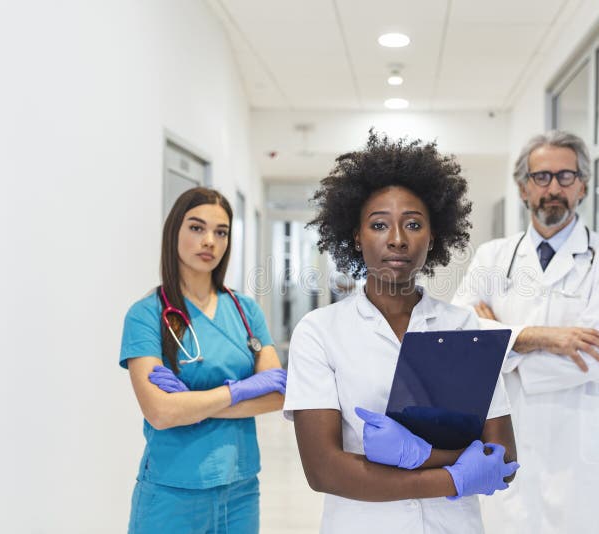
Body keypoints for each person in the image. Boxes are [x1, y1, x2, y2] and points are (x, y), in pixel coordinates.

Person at [284, 131, 520, 534]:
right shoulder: (319, 331)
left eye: (413, 224)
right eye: (379, 225)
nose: (397, 239)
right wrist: (452, 474)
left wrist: (417, 455)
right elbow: (323, 469)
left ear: (434, 236)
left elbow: (503, 457)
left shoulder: (464, 327)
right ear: (356, 237)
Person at [452, 130, 599, 533]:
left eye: (565, 176)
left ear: (583, 185)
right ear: (523, 188)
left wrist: (502, 340)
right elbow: (459, 336)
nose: (553, 187)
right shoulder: (493, 256)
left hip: (584, 426)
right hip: (510, 423)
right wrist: (543, 337)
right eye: (541, 177)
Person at [119, 187, 287, 533]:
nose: (209, 240)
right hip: (172, 491)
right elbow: (161, 412)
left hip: (240, 488)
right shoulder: (146, 315)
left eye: (220, 232)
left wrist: (190, 403)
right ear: (174, 232)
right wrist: (240, 390)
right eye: (196, 228)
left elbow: (277, 395)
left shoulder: (245, 311)